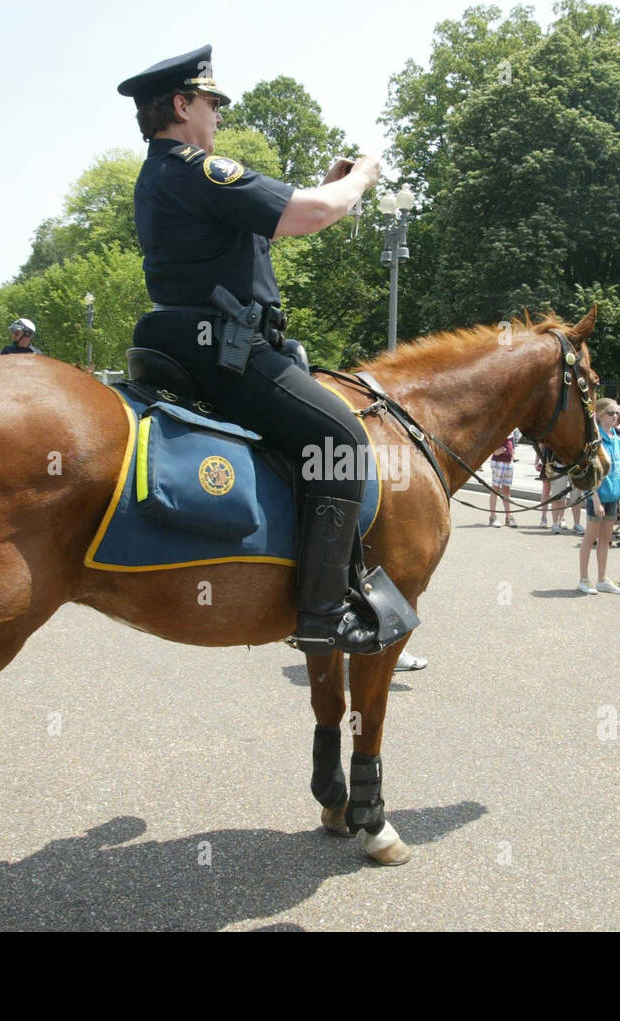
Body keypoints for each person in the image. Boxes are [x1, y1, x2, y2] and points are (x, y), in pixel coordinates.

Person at [118, 45, 405, 654]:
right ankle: (324, 614)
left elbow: (275, 223)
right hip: (226, 355)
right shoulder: (197, 169)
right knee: (343, 441)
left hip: (194, 344)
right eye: (210, 102)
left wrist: (317, 192)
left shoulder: (165, 176)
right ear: (180, 104)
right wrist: (362, 177)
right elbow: (313, 215)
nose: (218, 115)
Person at [577, 399, 620, 594]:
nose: (615, 416)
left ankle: (602, 578)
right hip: (598, 495)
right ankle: (583, 578)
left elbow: (618, 471)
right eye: (611, 413)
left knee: (606, 539)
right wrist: (595, 499)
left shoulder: (616, 439)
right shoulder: (594, 441)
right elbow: (589, 473)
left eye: (616, 413)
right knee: (590, 538)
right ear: (599, 414)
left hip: (613, 494)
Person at [488, 431, 517, 527]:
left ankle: (508, 517)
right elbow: (489, 441)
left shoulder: (511, 429)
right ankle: (493, 517)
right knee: (495, 489)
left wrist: (513, 455)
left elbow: (513, 443)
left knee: (506, 490)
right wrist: (494, 451)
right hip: (498, 462)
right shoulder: (500, 427)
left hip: (509, 463)